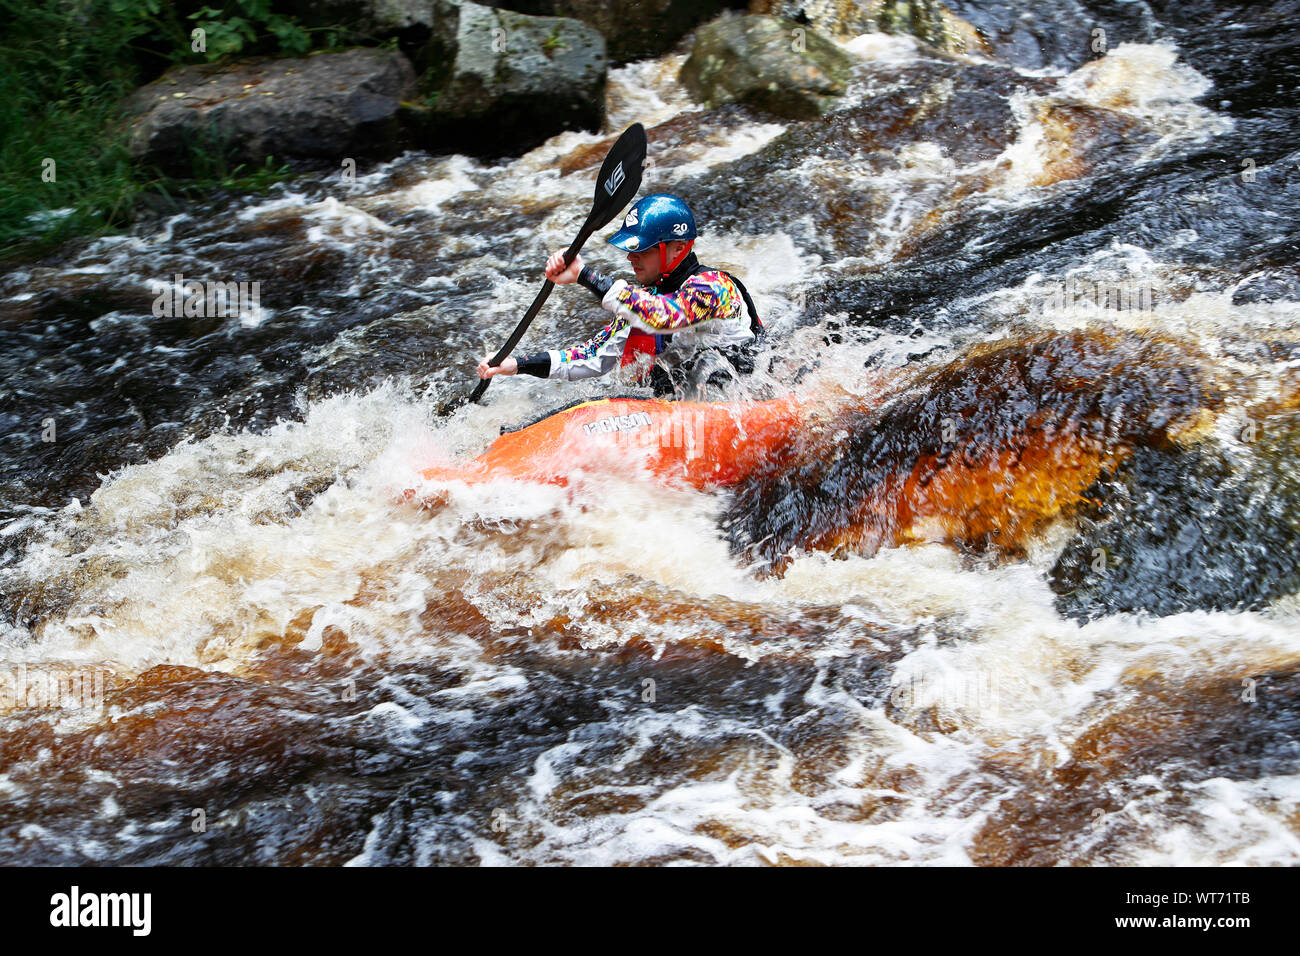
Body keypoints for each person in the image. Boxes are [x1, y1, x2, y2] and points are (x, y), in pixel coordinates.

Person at [475, 193, 766, 399]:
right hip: (689, 404)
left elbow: (664, 316)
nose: (630, 258)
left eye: (642, 250)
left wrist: (585, 275)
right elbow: (593, 355)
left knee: (699, 366)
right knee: (654, 375)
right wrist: (517, 365)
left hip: (747, 394)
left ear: (678, 248)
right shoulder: (644, 299)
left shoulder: (714, 287)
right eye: (630, 249)